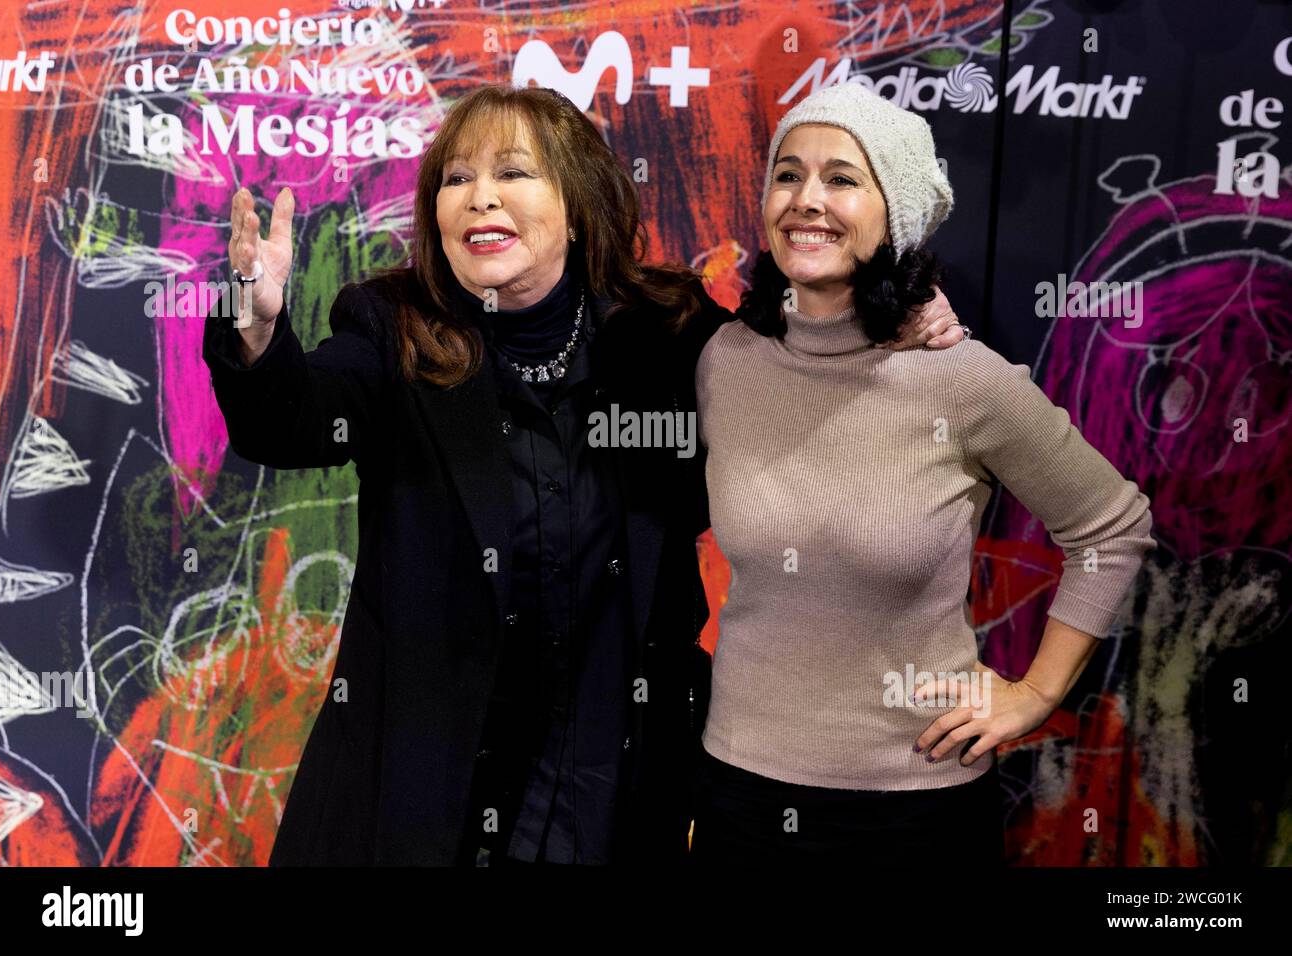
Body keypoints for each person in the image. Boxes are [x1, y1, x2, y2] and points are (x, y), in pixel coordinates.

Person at [203, 84, 964, 865]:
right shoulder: (392, 327)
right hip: (428, 789)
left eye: (512, 174)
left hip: (611, 780)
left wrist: (896, 313)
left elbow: (799, 375)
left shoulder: (666, 329)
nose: (479, 199)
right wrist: (253, 323)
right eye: (456, 180)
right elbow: (289, 420)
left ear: (575, 205)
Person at [690, 81, 1156, 864]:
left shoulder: (959, 376)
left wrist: (1036, 695)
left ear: (893, 211)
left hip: (914, 807)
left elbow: (1112, 527)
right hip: (741, 792)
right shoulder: (724, 360)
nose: (808, 199)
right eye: (788, 174)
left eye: (842, 178)